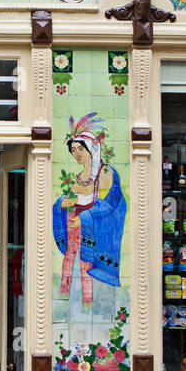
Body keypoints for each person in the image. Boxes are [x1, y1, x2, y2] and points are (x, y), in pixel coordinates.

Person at [53, 113, 127, 307]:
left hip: (90, 227)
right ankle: (64, 298)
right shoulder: (79, 176)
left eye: (80, 149)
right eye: (73, 150)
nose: (76, 154)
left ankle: (88, 303)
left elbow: (110, 202)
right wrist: (62, 204)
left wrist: (85, 216)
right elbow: (71, 200)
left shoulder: (104, 172)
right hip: (74, 225)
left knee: (86, 264)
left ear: (91, 148)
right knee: (69, 260)